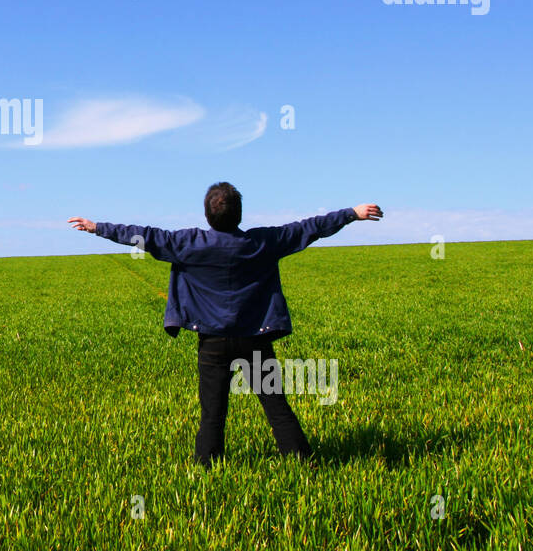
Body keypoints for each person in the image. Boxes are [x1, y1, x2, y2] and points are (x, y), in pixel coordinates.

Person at [68, 182, 382, 468]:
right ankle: (304, 464)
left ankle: (207, 470)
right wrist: (352, 214)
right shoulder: (263, 242)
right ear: (240, 214)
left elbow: (144, 235)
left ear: (207, 214)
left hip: (212, 342)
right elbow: (309, 229)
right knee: (276, 407)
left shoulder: (188, 243)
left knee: (213, 414)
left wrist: (97, 228)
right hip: (255, 339)